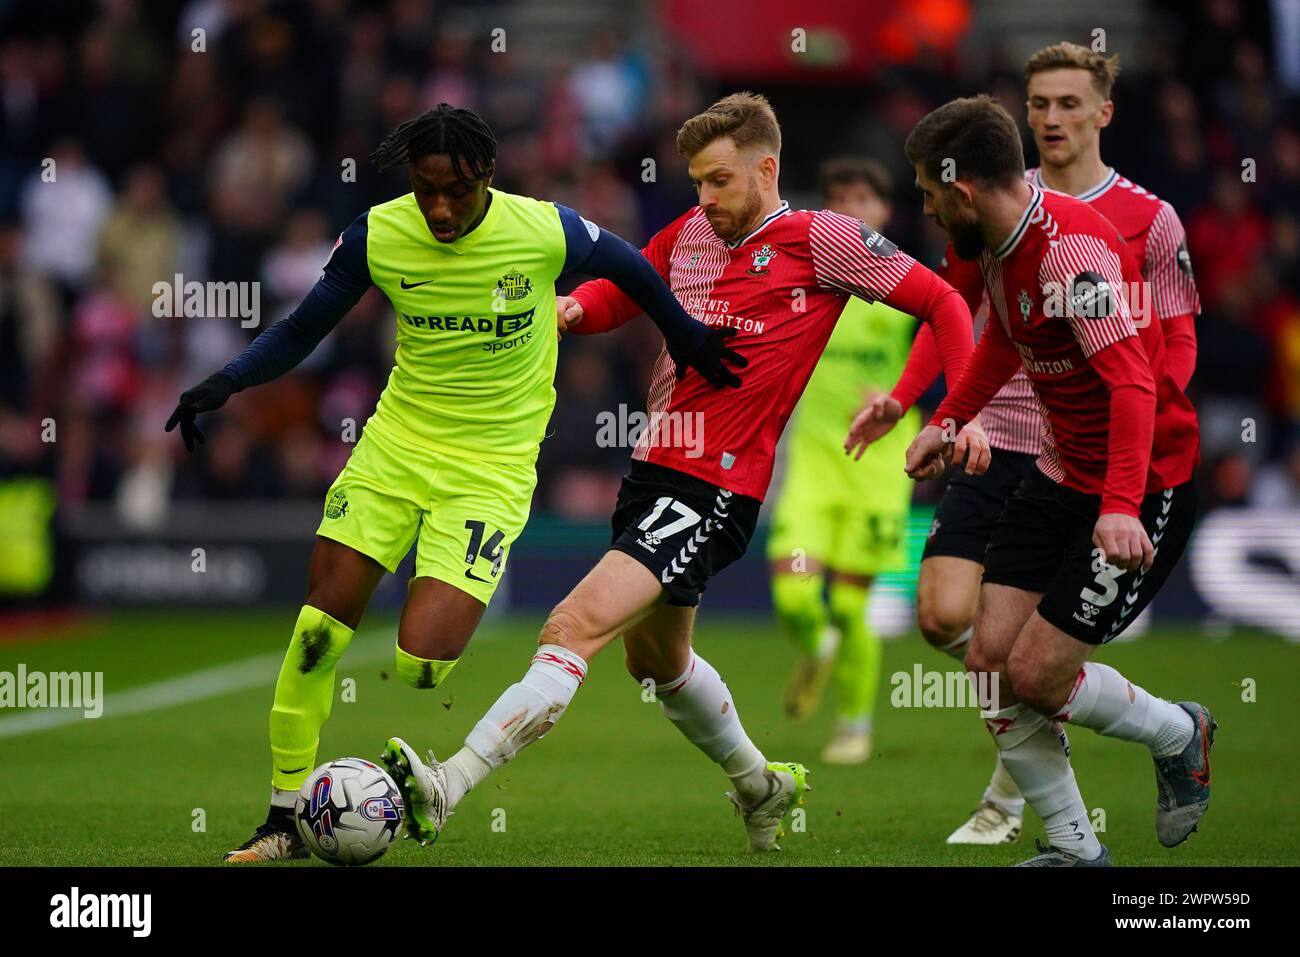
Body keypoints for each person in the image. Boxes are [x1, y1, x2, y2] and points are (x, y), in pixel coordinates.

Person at [381, 91, 976, 853]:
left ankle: (450, 781)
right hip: (653, 472)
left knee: (571, 624)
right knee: (656, 658)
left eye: (720, 180)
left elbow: (946, 303)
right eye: (696, 180)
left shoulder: (822, 240)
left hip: (718, 487)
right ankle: (762, 784)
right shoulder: (691, 232)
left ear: (766, 168)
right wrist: (572, 309)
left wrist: (951, 412)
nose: (704, 198)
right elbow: (623, 292)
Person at [166, 104, 744, 862]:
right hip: (393, 450)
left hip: (490, 469)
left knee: (422, 663)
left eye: (457, 191)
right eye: (426, 188)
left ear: (487, 179)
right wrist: (227, 381)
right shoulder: (379, 234)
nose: (439, 206)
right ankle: (283, 817)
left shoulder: (542, 230)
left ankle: (403, 682)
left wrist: (687, 335)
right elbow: (304, 328)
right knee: (316, 633)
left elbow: (632, 266)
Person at [847, 42, 1201, 845]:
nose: (928, 212)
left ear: (962, 188)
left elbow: (1136, 383)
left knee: (1039, 674)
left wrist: (1119, 507)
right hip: (1058, 467)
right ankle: (1077, 847)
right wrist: (946, 416)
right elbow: (1003, 342)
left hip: (1139, 478)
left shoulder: (1072, 252)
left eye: (931, 196)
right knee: (988, 657)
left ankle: (1180, 733)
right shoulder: (1003, 245)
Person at [767, 156, 922, 764]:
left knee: (855, 603)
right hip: (813, 461)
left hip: (877, 469)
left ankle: (854, 726)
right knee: (796, 594)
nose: (852, 210)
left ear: (884, 211)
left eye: (864, 198)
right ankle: (819, 642)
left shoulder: (906, 289)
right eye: (839, 200)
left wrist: (908, 398)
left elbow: (951, 341)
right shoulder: (805, 285)